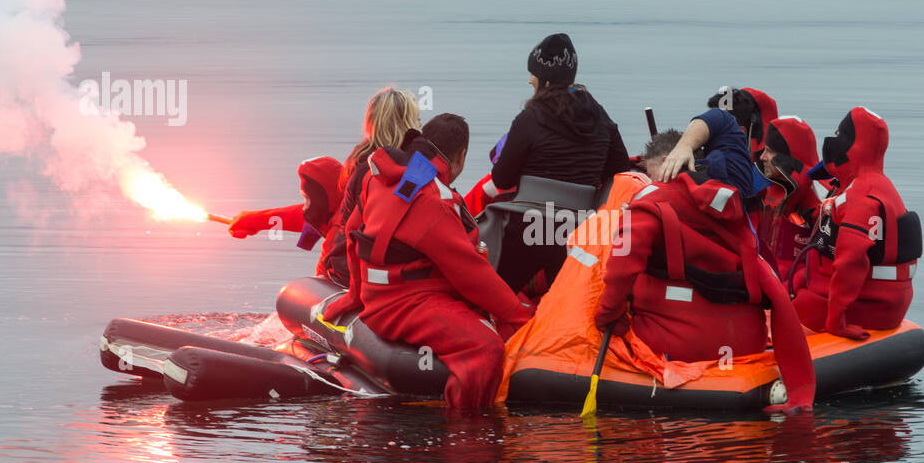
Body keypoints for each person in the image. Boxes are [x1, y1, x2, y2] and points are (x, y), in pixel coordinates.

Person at [321, 113, 533, 408]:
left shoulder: (379, 176)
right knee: (485, 349)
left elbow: (354, 233)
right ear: (459, 158)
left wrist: (356, 294)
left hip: (376, 295)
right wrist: (523, 319)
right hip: (405, 304)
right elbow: (471, 275)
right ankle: (467, 437)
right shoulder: (435, 200)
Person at [597, 130, 816, 414]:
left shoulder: (649, 202)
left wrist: (607, 315)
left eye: (650, 172)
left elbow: (620, 268)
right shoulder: (735, 199)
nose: (649, 181)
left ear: (667, 162)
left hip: (680, 344)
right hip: (747, 341)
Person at [225, 87, 421, 285]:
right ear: (407, 123)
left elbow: (323, 216)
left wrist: (255, 220)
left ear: (371, 123)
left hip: (344, 274)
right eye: (417, 118)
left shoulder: (359, 166)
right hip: (357, 278)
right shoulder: (410, 173)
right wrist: (255, 220)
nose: (421, 124)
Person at [488, 33, 631, 291]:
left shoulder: (529, 119)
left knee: (496, 293)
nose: (530, 79)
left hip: (528, 226)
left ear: (544, 79)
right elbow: (620, 171)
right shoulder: (602, 119)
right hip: (578, 232)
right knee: (564, 301)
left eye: (534, 73)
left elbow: (502, 178)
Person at [793, 106, 922, 339]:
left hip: (860, 309)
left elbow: (851, 262)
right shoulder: (878, 186)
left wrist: (836, 321)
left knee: (787, 307)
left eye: (840, 135)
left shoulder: (860, 198)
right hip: (886, 305)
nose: (832, 140)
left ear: (855, 145)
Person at [756, 116, 823, 283]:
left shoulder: (821, 199)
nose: (762, 157)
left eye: (769, 151)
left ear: (787, 158)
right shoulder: (765, 187)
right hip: (765, 281)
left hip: (796, 290)